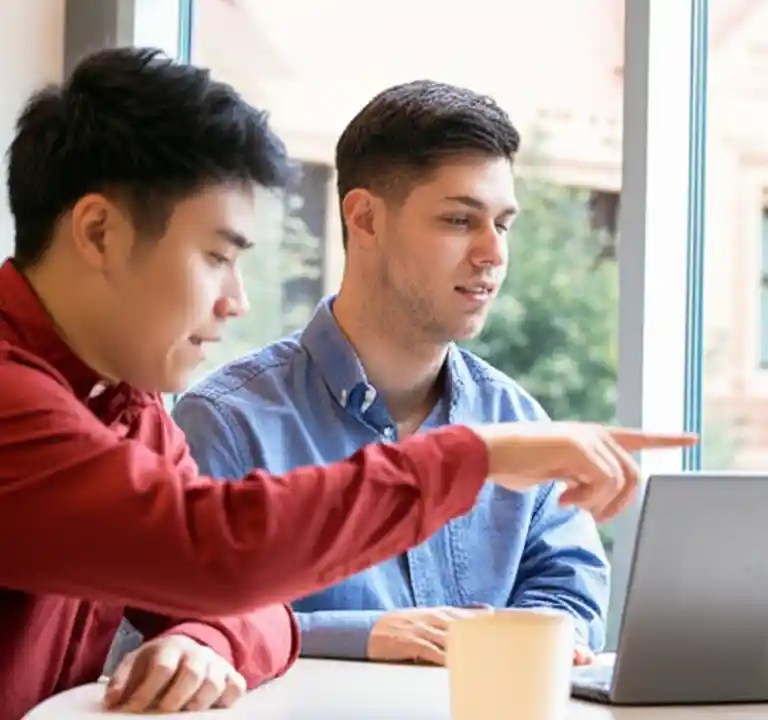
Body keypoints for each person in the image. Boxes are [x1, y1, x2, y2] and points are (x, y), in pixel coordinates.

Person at [0, 47, 694, 718]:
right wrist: (477, 457)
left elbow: (242, 603)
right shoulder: (17, 397)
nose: (236, 301)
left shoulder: (128, 408)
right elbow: (214, 550)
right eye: (216, 257)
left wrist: (208, 636)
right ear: (97, 233)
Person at [159, 79, 608, 668]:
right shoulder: (227, 423)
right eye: (458, 220)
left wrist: (529, 643)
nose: (493, 253)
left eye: (503, 224)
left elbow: (571, 595)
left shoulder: (516, 418)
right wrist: (362, 634)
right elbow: (169, 634)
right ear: (365, 219)